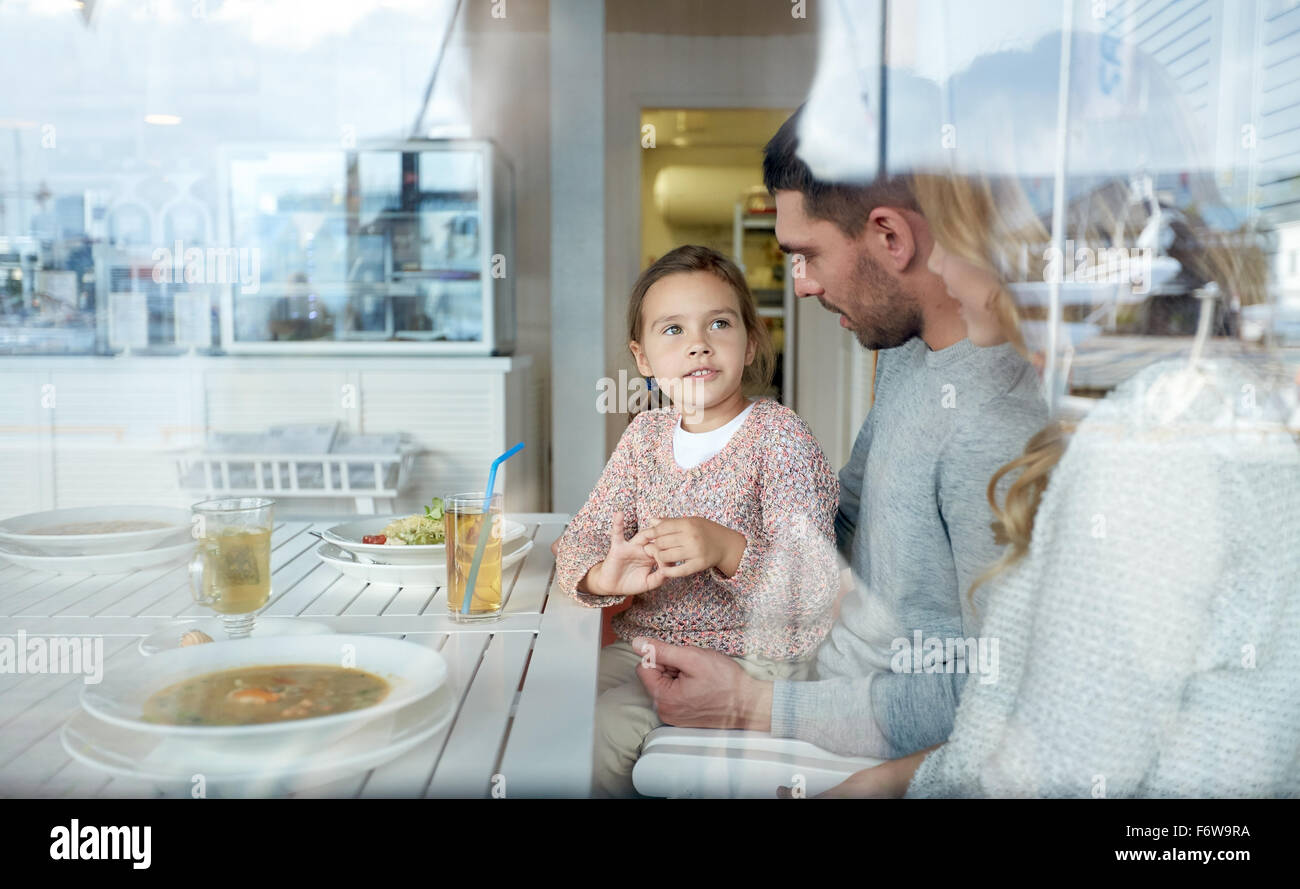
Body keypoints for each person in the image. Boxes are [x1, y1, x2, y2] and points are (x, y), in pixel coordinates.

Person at [817, 162, 1300, 798]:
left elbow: (1053, 778)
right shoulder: (1171, 407)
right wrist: (888, 784)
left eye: (952, 239)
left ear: (1031, 253)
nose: (935, 268)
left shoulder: (1147, 451)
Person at [628, 109, 1048, 763]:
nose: (802, 285)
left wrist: (748, 704)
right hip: (807, 658)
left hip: (848, 727)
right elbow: (840, 523)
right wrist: (717, 544)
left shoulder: (993, 426)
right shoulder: (911, 354)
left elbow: (994, 696)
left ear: (888, 236)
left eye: (808, 254)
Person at [550, 245, 841, 798]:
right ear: (642, 358)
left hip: (754, 659)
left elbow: (814, 587)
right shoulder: (645, 436)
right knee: (551, 697)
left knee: (605, 729)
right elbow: (580, 538)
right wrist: (602, 577)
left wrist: (730, 549)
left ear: (751, 341)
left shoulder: (779, 438)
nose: (698, 343)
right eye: (672, 330)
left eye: (719, 323)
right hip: (648, 644)